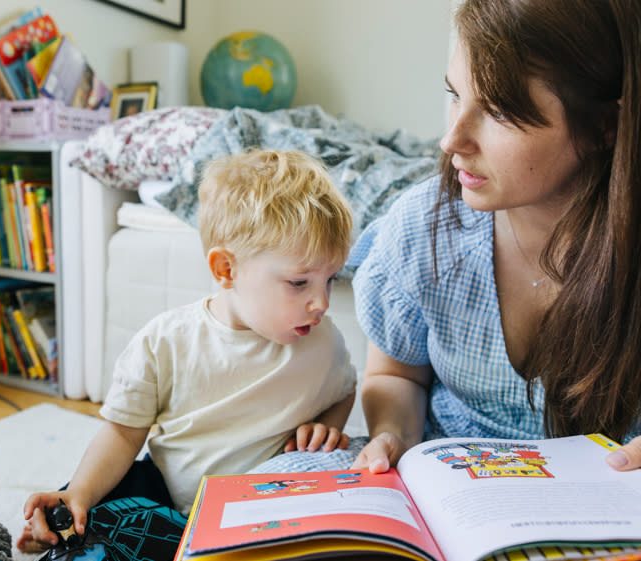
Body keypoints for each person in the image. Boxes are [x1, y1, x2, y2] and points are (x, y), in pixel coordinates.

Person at [250, 0, 641, 477]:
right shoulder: (423, 225)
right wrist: (392, 434)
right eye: (455, 94)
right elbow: (396, 374)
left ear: (605, 125)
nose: (451, 140)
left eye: (498, 112)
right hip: (449, 481)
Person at [17, 149, 357, 552]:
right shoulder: (165, 342)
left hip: (257, 512)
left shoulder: (323, 342)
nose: (321, 302)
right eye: (300, 283)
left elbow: (344, 388)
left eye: (330, 279)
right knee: (101, 503)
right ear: (226, 270)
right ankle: (61, 526)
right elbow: (123, 435)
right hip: (165, 494)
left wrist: (329, 424)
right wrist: (79, 494)